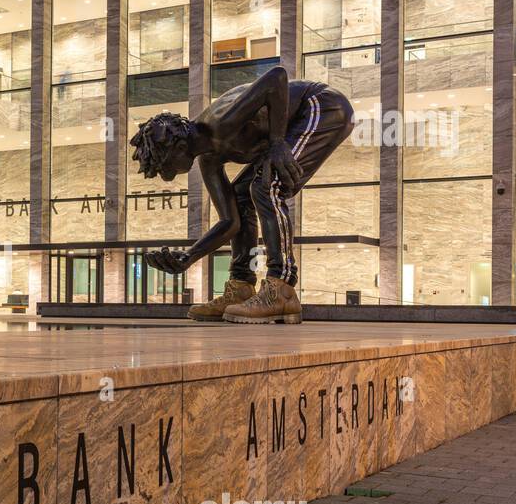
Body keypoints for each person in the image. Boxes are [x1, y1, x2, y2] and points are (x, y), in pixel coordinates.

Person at [130, 65, 355, 323]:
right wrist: (189, 256)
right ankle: (240, 287)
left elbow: (277, 77)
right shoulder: (208, 159)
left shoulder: (220, 122)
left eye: (165, 167)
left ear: (179, 146)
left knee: (266, 185)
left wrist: (278, 142)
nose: (167, 176)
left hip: (322, 107)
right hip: (300, 119)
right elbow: (230, 222)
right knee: (240, 194)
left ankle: (280, 288)